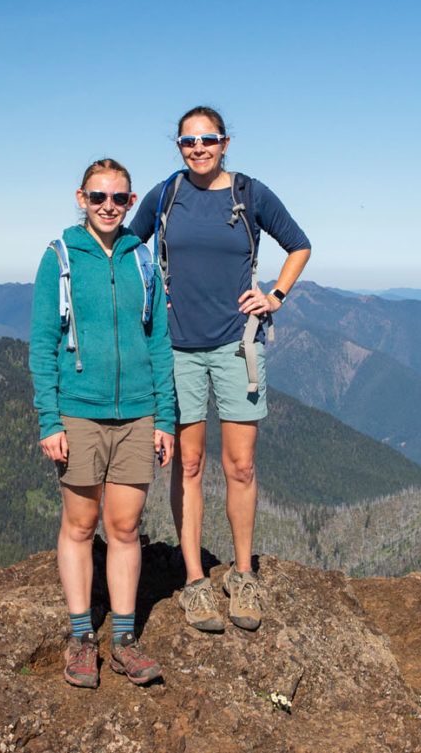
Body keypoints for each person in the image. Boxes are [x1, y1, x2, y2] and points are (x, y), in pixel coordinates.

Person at [128, 106, 311, 633]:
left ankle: (243, 572)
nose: (198, 148)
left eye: (208, 139)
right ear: (179, 146)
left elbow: (299, 244)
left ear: (225, 142)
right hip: (177, 348)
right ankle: (194, 581)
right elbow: (128, 247)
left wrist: (275, 294)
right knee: (187, 465)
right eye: (188, 141)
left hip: (238, 346)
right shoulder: (166, 195)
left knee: (241, 466)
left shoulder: (250, 194)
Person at [29, 158, 176, 688]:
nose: (108, 207)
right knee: (80, 525)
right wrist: (51, 419)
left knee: (125, 527)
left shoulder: (143, 260)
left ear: (132, 202)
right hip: (79, 410)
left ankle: (123, 639)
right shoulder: (61, 257)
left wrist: (166, 417)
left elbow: (158, 340)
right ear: (80, 198)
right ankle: (80, 636)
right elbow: (42, 344)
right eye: (98, 197)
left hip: (138, 411)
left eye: (118, 199)